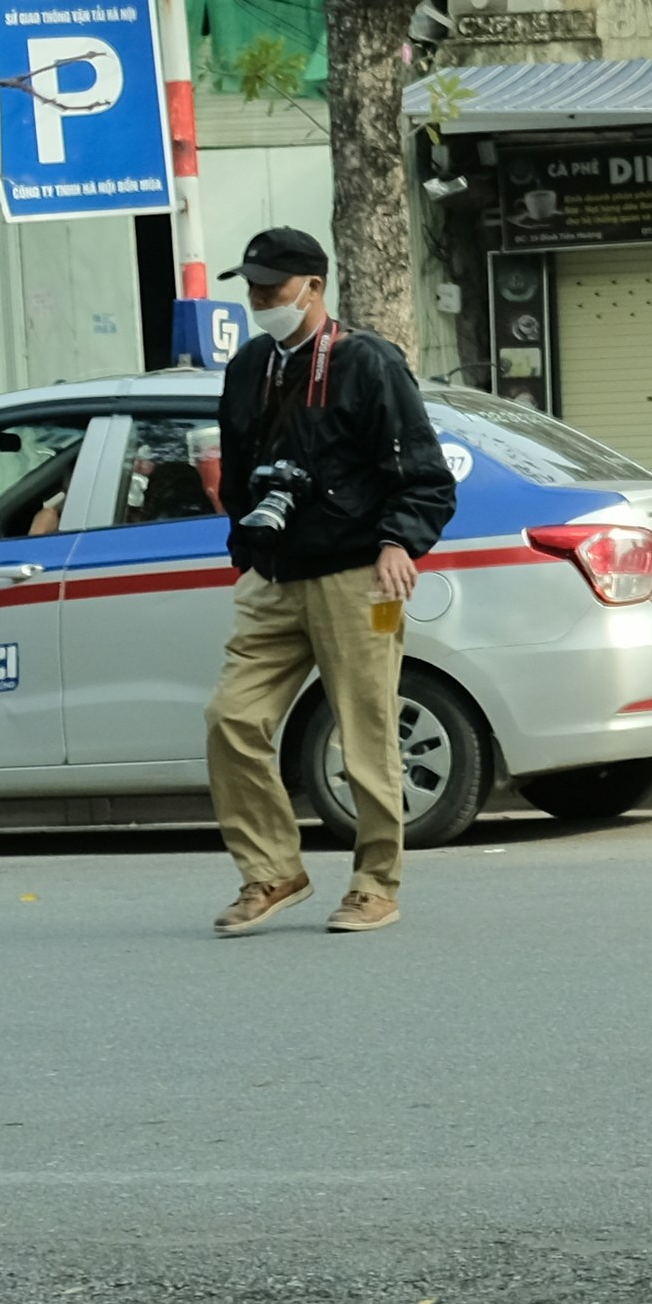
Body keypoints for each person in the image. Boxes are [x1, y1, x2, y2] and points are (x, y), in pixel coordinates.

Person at [202, 227, 457, 935]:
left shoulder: (367, 363)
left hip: (355, 579)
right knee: (231, 719)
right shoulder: (249, 365)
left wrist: (397, 544)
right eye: (250, 285)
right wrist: (246, 552)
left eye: (271, 287)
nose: (258, 298)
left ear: (312, 288)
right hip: (275, 576)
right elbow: (239, 467)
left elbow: (427, 480)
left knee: (365, 733)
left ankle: (376, 883)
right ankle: (272, 871)